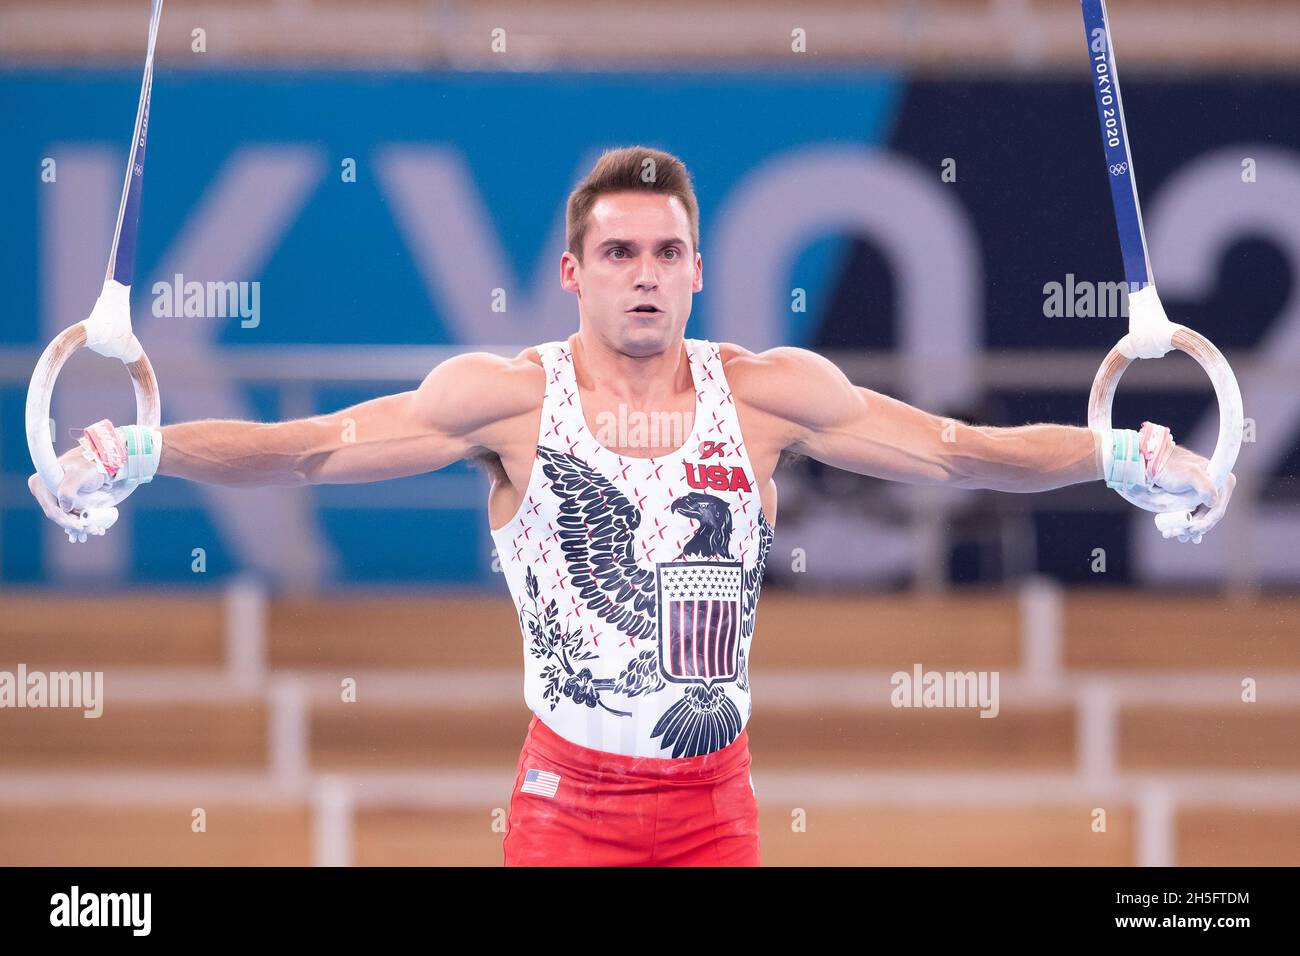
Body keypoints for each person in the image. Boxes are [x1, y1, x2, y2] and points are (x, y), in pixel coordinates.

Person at [28, 145, 1235, 866]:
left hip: (716, 801)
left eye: (667, 251)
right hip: (566, 802)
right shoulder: (502, 401)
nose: (645, 273)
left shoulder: (768, 394)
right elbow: (305, 449)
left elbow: (962, 450)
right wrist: (143, 448)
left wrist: (1123, 457)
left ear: (700, 268)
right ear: (572, 272)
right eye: (619, 253)